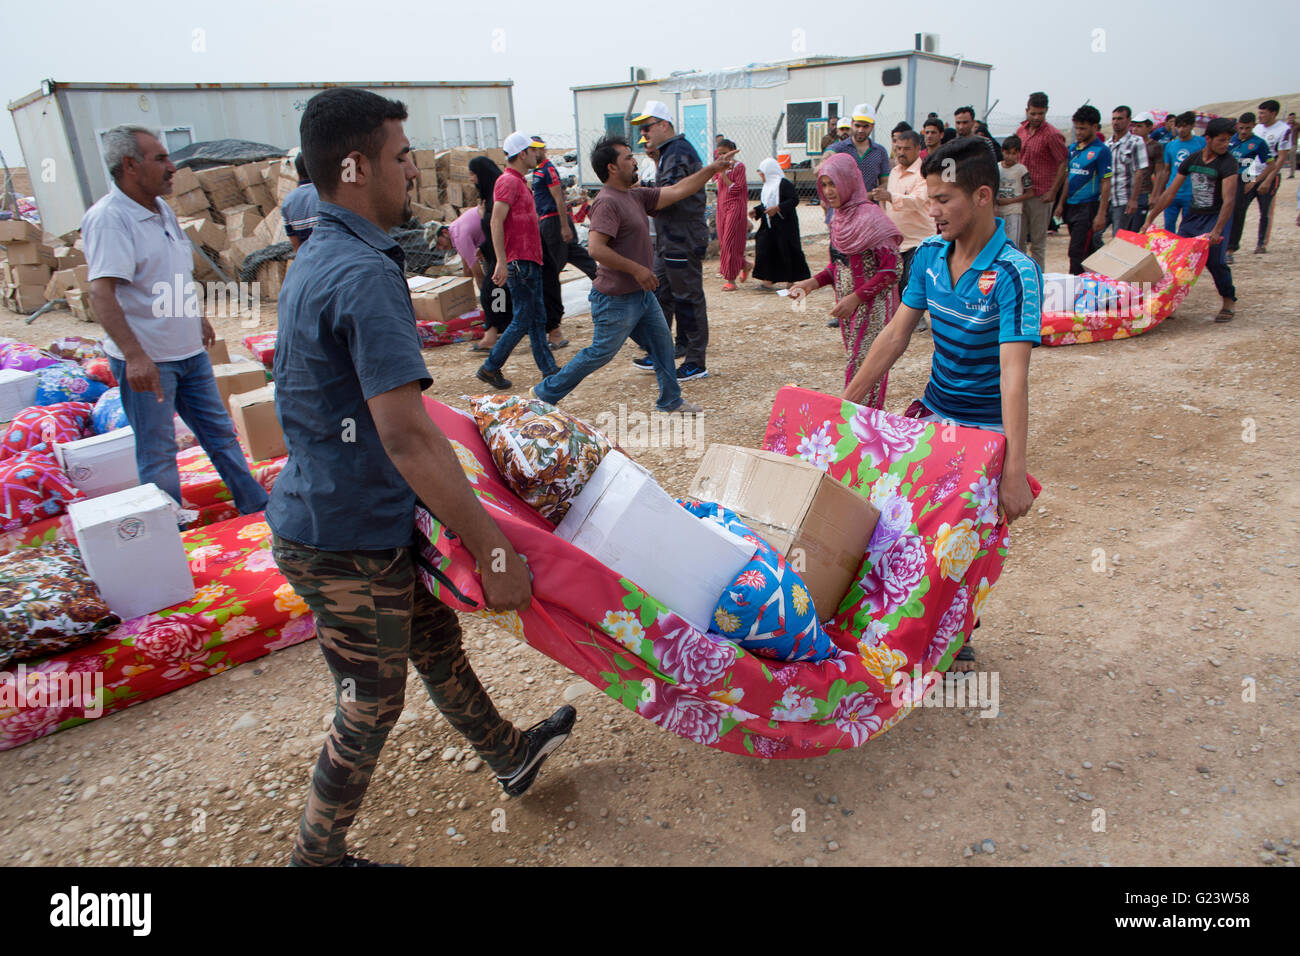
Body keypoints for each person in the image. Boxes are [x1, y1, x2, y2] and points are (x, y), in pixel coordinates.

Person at [267, 90, 575, 868]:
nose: (412, 169)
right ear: (354, 164)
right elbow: (405, 436)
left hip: (353, 513)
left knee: (438, 645)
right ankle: (316, 857)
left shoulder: (325, 253)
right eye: (401, 155)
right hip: (343, 533)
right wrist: (493, 548)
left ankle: (510, 753)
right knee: (370, 702)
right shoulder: (362, 272)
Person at [828, 136, 1038, 671]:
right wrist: (843, 408)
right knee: (912, 531)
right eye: (930, 196)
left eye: (944, 198)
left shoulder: (1015, 273)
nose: (932, 209)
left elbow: (1014, 375)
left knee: (963, 543)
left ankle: (960, 631)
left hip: (984, 436)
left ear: (984, 196)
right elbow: (895, 337)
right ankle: (920, 625)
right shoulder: (926, 256)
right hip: (936, 420)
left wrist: (1013, 469)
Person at [83, 125, 269, 524]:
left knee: (220, 435)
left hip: (188, 353)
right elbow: (102, 294)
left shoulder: (160, 208)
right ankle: (167, 528)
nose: (172, 167)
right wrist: (134, 357)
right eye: (161, 158)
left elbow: (171, 272)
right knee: (158, 450)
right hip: (150, 361)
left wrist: (196, 316)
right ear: (130, 166)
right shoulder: (110, 220)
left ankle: (255, 505)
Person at [530, 136, 735, 413]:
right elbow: (595, 248)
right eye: (627, 157)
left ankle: (670, 400)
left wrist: (712, 169)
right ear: (612, 168)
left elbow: (677, 190)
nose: (634, 161)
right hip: (615, 299)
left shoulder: (635, 196)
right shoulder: (607, 202)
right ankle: (544, 393)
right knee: (600, 353)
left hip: (640, 295)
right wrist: (638, 269)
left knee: (662, 345)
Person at [787, 152, 901, 406]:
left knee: (865, 370)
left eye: (833, 183)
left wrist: (856, 298)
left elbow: (893, 270)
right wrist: (811, 284)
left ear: (848, 180)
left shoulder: (872, 219)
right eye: (824, 184)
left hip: (873, 309)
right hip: (851, 310)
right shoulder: (840, 218)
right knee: (858, 363)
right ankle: (861, 429)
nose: (828, 191)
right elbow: (839, 266)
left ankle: (860, 428)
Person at [632, 100, 711, 381]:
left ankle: (695, 360)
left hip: (681, 237)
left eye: (647, 128)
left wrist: (641, 193)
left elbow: (670, 195)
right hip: (670, 238)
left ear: (664, 125)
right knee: (660, 295)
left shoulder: (677, 152)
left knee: (687, 297)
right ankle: (662, 352)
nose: (644, 135)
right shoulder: (669, 153)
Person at [475, 132, 559, 390]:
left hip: (527, 260)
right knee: (524, 318)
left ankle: (549, 369)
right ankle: (490, 367)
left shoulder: (519, 182)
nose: (537, 154)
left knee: (535, 317)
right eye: (533, 151)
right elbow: (495, 221)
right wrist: (502, 261)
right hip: (519, 262)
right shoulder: (508, 182)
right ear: (522, 153)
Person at [1144, 116, 1238, 322]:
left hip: (1216, 217)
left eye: (1228, 140)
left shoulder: (1229, 163)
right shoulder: (1193, 160)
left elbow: (1229, 200)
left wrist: (1217, 230)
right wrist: (1149, 219)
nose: (1226, 145)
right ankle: (1168, 303)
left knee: (1215, 261)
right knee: (1176, 260)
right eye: (1221, 140)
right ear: (1208, 139)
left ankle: (1228, 301)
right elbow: (1170, 192)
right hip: (1193, 217)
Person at [1015, 92, 1069, 270]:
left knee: (1038, 243)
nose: (1036, 117)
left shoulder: (1052, 135)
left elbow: (1062, 163)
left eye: (1040, 114)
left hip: (1041, 195)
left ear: (1046, 111)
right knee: (1018, 242)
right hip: (1020, 194)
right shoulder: (1020, 132)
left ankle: (1038, 280)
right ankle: (1022, 277)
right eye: (1033, 113)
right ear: (1027, 111)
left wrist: (1053, 191)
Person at [1056, 105, 1111, 275]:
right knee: (1085, 250)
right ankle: (1092, 282)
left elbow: (1106, 182)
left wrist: (1101, 214)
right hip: (1071, 206)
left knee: (1076, 251)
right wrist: (1060, 204)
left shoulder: (1102, 151)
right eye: (1076, 128)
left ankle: (1075, 285)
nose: (1078, 132)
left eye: (1082, 128)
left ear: (1095, 127)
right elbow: (1068, 178)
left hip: (1088, 208)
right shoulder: (1073, 149)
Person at [880, 129, 932, 292]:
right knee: (895, 287)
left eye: (907, 149)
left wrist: (889, 196)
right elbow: (889, 205)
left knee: (910, 287)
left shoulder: (924, 172)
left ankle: (917, 318)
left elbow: (917, 200)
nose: (901, 153)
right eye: (899, 148)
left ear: (918, 149)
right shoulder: (895, 172)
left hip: (917, 242)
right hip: (896, 244)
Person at [468, 156, 511, 350]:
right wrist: (484, 247)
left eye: (473, 174)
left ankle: (493, 334)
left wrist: (483, 216)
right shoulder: (488, 197)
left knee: (493, 291)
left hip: (505, 253)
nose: (471, 179)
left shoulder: (497, 196)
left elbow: (499, 226)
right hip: (495, 252)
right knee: (494, 292)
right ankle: (494, 333)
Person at [751, 157, 811, 291]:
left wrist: (778, 208)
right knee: (765, 248)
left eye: (762, 174)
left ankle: (791, 280)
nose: (761, 177)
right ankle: (768, 280)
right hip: (769, 225)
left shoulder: (784, 184)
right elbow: (766, 204)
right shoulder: (767, 187)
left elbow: (794, 200)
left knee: (786, 250)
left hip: (785, 225)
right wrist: (756, 210)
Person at [1226, 112, 1272, 263]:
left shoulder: (1258, 143)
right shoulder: (1230, 138)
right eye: (1241, 128)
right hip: (1225, 177)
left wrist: (1254, 181)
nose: (1244, 131)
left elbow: (1271, 164)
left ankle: (1230, 250)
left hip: (1243, 177)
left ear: (1253, 126)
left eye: (1247, 128)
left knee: (1238, 214)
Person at [1250, 100, 1293, 253]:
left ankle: (1262, 243)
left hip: (1269, 175)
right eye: (1259, 112)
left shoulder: (1284, 130)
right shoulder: (1256, 128)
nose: (1259, 116)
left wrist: (1268, 179)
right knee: (1239, 207)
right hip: (1251, 173)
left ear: (1273, 113)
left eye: (1263, 113)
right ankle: (1231, 246)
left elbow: (1281, 158)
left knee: (1265, 210)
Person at [1151, 112, 1204, 232]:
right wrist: (1159, 192)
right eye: (1178, 126)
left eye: (1184, 126)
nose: (1181, 130)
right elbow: (1166, 170)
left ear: (1192, 126)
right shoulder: (1170, 146)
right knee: (1168, 227)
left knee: (1187, 227)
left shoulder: (1201, 143)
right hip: (1172, 193)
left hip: (1192, 194)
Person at [827, 103, 891, 201]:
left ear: (872, 126)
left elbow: (885, 182)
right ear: (852, 124)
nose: (861, 130)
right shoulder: (839, 148)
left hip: (868, 208)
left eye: (865, 126)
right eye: (857, 125)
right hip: (843, 208)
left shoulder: (880, 151)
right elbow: (828, 155)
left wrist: (872, 194)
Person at [714, 139, 751, 291]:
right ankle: (744, 264)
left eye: (725, 153)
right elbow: (715, 184)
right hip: (722, 206)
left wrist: (723, 173)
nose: (722, 156)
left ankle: (730, 278)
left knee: (730, 240)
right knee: (723, 241)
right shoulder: (718, 167)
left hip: (735, 206)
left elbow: (736, 189)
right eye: (720, 154)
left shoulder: (739, 167)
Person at [1106, 105, 1149, 235]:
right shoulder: (1108, 144)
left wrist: (1134, 199)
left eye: (1120, 118)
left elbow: (1139, 173)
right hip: (1107, 198)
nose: (1116, 122)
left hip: (1124, 199)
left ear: (1128, 120)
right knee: (1094, 235)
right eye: (1114, 119)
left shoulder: (1136, 142)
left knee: (1118, 236)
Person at [997, 136, 1032, 250]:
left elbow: (1029, 193)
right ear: (1002, 151)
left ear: (1018, 154)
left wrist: (1009, 201)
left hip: (1013, 211)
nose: (1010, 157)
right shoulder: (997, 168)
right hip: (998, 211)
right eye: (1007, 153)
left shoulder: (1021, 170)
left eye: (1014, 153)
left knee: (1011, 243)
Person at [1130, 112, 1162, 232]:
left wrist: (1155, 195)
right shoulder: (1129, 144)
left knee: (1135, 229)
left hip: (1143, 192)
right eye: (1134, 126)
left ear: (1149, 127)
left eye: (1139, 126)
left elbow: (1159, 172)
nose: (1135, 129)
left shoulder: (1155, 146)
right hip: (1127, 191)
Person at [282, 152, 319, 251]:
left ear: (298, 172)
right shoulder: (326, 193)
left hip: (310, 260)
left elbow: (295, 243)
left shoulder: (287, 201)